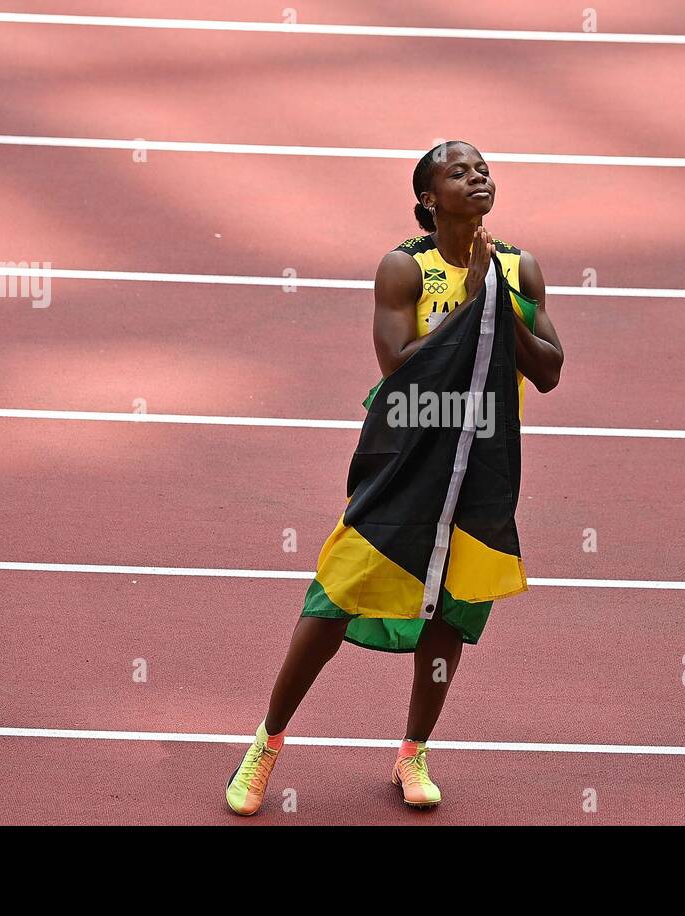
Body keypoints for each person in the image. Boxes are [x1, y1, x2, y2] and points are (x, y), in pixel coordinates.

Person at [225, 140, 564, 815]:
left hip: (484, 463)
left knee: (452, 615)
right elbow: (395, 364)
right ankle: (268, 742)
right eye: (458, 172)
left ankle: (413, 752)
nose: (477, 178)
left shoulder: (518, 269)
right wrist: (471, 307)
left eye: (483, 169)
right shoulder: (405, 269)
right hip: (406, 458)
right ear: (429, 199)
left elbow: (549, 369)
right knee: (333, 598)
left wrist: (495, 303)